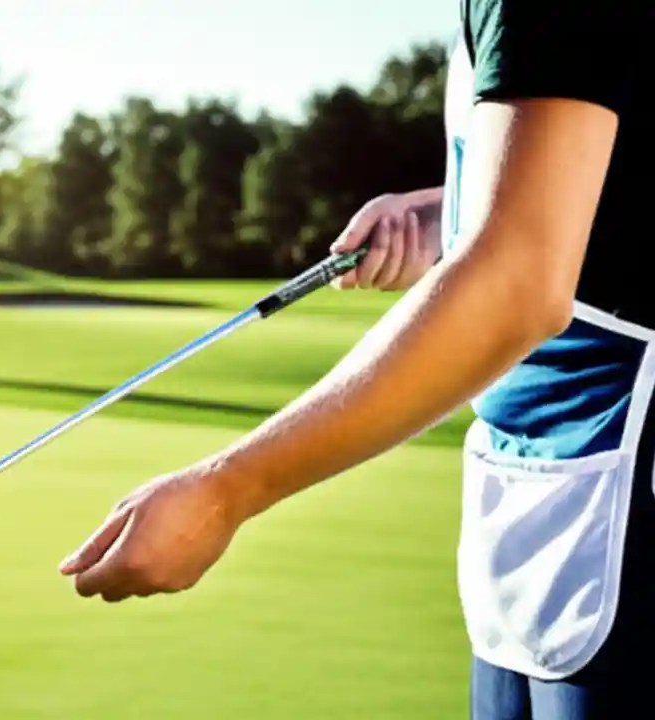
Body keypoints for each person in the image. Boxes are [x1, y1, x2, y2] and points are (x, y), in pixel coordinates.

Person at [59, 3, 651, 717]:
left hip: (626, 507)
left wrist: (228, 490)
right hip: (542, 496)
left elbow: (517, 286)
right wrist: (451, 216)